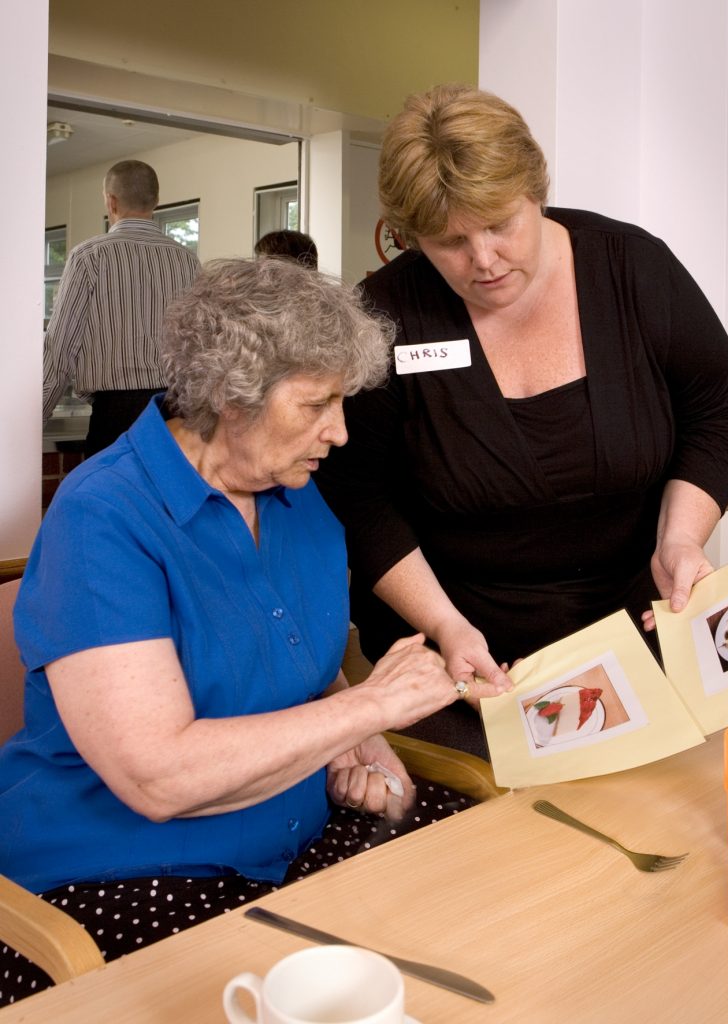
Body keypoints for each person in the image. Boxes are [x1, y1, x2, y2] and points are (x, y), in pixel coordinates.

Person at [0, 257, 509, 1006]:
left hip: (293, 838)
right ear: (230, 400)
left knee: (488, 898)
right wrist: (370, 708)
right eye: (316, 405)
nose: (338, 432)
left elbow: (303, 664)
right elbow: (158, 777)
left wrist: (359, 748)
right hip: (121, 870)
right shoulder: (102, 516)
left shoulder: (298, 499)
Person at [315, 84, 728, 756]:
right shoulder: (387, 313)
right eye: (448, 242)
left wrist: (681, 540)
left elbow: (715, 418)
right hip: (466, 668)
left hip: (635, 644)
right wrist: (445, 626)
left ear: (535, 191)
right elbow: (359, 499)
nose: (482, 260)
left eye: (499, 224)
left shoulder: (632, 269)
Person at [42, 159, 200, 456]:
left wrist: (36, 417)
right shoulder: (187, 260)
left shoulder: (89, 257)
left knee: (112, 500)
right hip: (177, 413)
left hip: (116, 416)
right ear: (155, 201)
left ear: (111, 202)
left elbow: (60, 348)